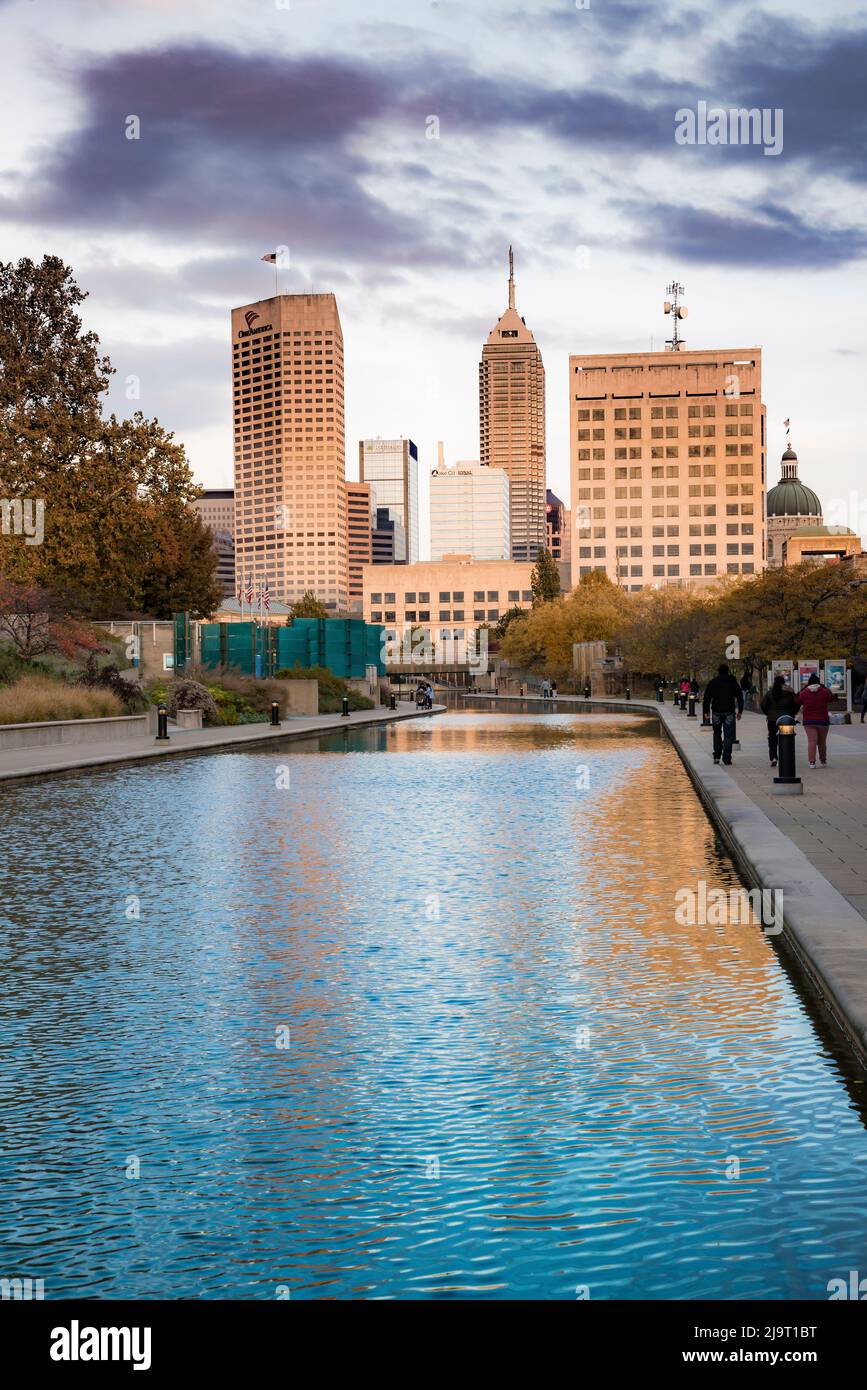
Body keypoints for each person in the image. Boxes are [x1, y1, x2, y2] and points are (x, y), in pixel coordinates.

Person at [702, 662, 744, 766]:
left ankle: (716, 756)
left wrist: (706, 711)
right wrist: (740, 711)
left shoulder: (713, 682)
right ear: (727, 671)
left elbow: (706, 698)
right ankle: (727, 758)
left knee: (717, 733)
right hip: (729, 711)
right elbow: (739, 697)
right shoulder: (732, 682)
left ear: (718, 672)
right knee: (728, 735)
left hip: (716, 711)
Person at [760, 674, 797, 767]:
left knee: (772, 738)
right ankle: (786, 758)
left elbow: (763, 705)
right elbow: (796, 704)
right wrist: (792, 714)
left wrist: (768, 714)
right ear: (783, 682)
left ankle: (773, 757)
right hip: (786, 721)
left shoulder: (770, 692)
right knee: (786, 739)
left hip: (772, 720)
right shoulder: (790, 693)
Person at [796, 672, 832, 768]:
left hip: (809, 721)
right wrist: (823, 687)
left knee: (812, 741)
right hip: (823, 721)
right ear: (819, 682)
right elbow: (830, 697)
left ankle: (812, 762)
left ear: (809, 683)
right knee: (822, 742)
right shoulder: (824, 692)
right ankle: (823, 760)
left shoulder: (804, 693)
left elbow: (798, 700)